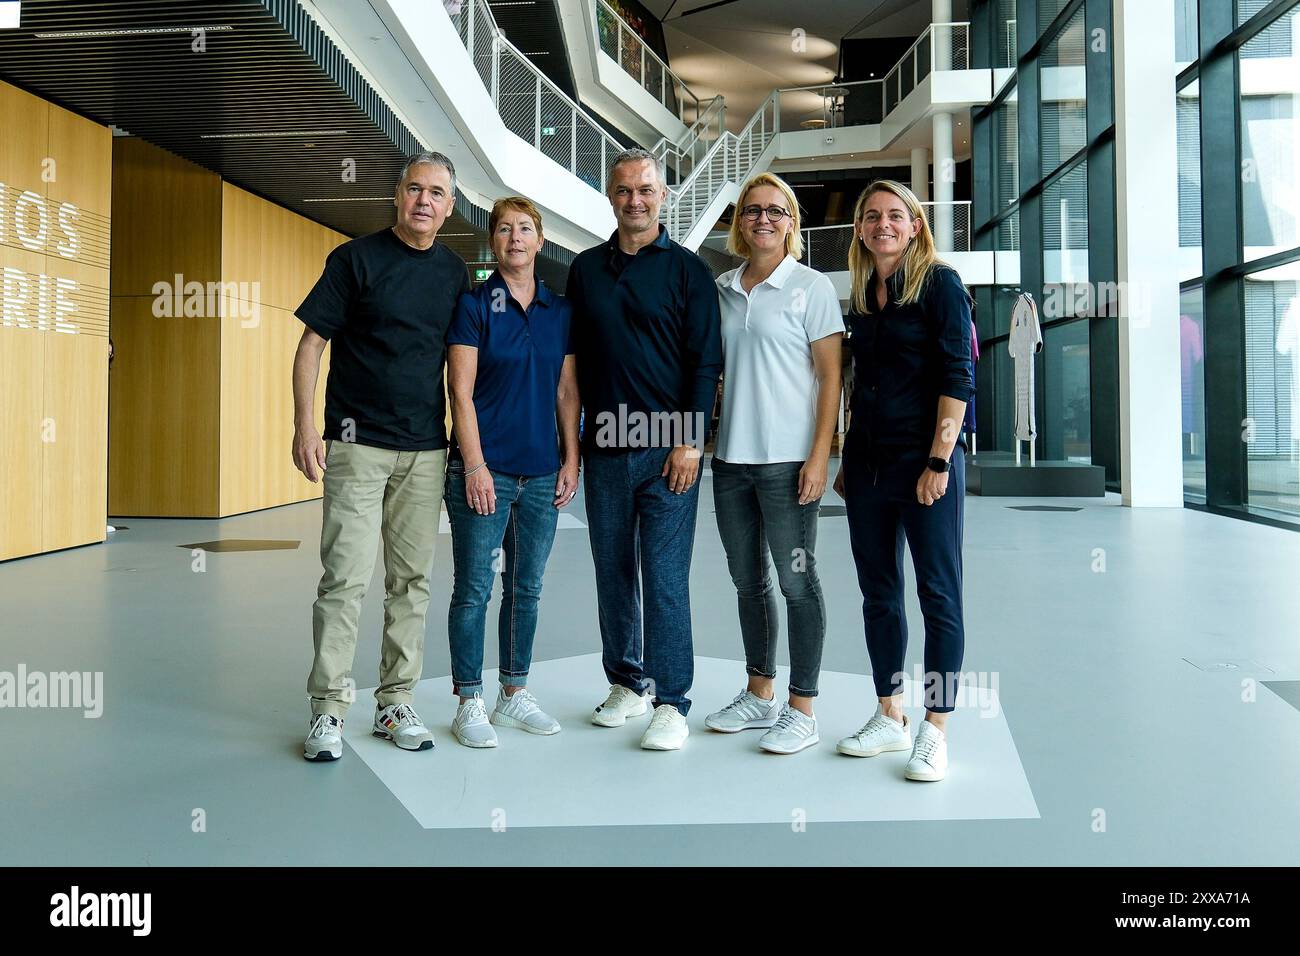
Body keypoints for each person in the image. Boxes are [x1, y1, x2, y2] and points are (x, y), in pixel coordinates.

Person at [292, 151, 470, 761]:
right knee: (344, 579)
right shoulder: (354, 260)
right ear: (398, 196)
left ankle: (396, 702)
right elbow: (312, 343)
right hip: (355, 445)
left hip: (424, 452)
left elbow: (461, 369)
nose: (425, 201)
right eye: (415, 189)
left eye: (437, 193)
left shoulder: (453, 273)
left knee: (412, 583)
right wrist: (305, 426)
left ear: (450, 206)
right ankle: (328, 711)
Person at [565, 148, 723, 751]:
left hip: (667, 450)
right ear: (611, 196)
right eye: (625, 190)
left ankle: (672, 700)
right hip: (605, 445)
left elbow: (705, 363)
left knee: (662, 575)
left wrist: (690, 438)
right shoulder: (584, 269)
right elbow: (572, 365)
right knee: (612, 571)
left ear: (663, 196)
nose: (636, 200)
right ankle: (627, 682)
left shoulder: (688, 271)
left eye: (647, 190)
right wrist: (572, 448)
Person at [832, 179, 974, 782]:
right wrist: (844, 457)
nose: (882, 224)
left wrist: (939, 461)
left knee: (938, 594)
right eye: (871, 216)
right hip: (867, 465)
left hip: (925, 464)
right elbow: (856, 383)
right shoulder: (864, 293)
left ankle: (935, 726)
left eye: (895, 216)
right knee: (878, 595)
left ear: (915, 225)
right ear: (860, 229)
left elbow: (958, 374)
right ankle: (889, 713)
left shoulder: (940, 283)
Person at [704, 172, 843, 755]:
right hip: (731, 462)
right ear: (739, 224)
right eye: (753, 211)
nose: (764, 219)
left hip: (789, 464)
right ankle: (759, 692)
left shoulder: (811, 288)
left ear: (793, 222)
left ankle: (802, 706)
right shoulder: (724, 288)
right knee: (747, 581)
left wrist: (819, 457)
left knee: (796, 581)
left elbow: (832, 377)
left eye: (776, 211)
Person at [444, 196, 580, 748]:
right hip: (486, 470)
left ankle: (514, 692)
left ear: (540, 241)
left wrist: (570, 458)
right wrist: (474, 465)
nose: (515, 238)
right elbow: (461, 390)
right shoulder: (474, 305)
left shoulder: (560, 311)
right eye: (505, 229)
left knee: (526, 587)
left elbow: (567, 390)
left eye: (525, 229)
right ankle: (469, 698)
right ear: (493, 241)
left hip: (543, 471)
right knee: (474, 587)